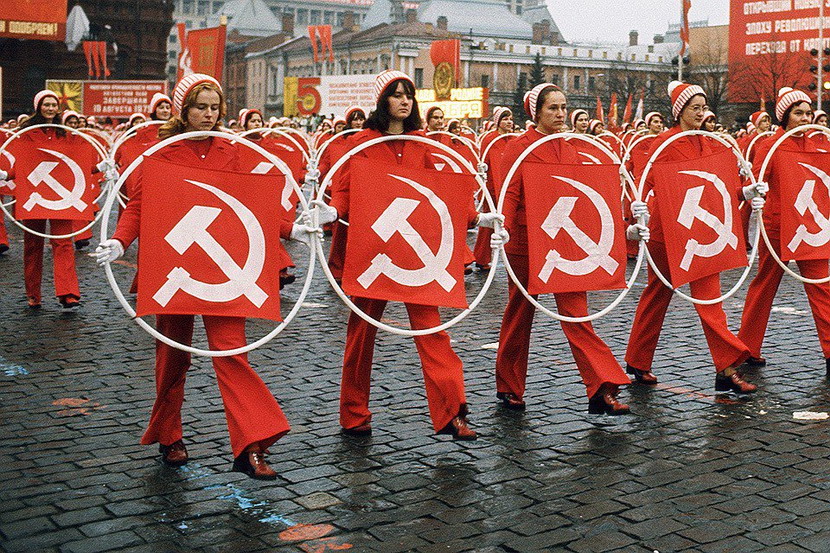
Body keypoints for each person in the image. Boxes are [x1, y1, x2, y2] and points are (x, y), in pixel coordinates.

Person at [94, 74, 317, 479]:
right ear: (184, 110)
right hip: (173, 268)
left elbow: (252, 205)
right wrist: (120, 241)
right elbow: (140, 206)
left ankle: (251, 444)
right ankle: (169, 435)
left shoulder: (234, 150)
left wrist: (290, 229)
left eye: (215, 107)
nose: (209, 114)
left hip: (223, 268)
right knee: (172, 357)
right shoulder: (161, 152)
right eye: (200, 107)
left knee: (232, 352)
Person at [312, 70, 505, 440]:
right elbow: (346, 192)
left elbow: (440, 191)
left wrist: (476, 217)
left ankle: (452, 411)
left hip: (416, 255)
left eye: (408, 95)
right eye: (396, 94)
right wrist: (332, 211)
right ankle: (353, 414)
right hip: (372, 251)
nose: (404, 101)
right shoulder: (360, 142)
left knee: (432, 330)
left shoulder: (421, 143)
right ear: (381, 100)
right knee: (361, 335)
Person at [495, 83, 646, 414]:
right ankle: (508, 385)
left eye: (564, 107)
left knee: (577, 314)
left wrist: (623, 229)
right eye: (553, 108)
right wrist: (502, 227)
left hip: (562, 245)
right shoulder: (517, 147)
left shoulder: (570, 148)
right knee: (519, 313)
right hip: (526, 243)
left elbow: (584, 196)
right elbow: (509, 194)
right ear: (536, 112)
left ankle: (601, 386)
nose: (561, 113)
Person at [624, 81, 758, 392]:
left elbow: (720, 187)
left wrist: (746, 191)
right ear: (679, 111)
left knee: (709, 298)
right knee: (657, 294)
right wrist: (636, 213)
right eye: (694, 108)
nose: (700, 113)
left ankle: (726, 367)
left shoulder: (709, 143)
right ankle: (638, 360)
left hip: (699, 235)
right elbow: (644, 183)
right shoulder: (663, 143)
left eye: (703, 107)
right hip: (666, 232)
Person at [739, 87, 830, 376]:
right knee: (764, 285)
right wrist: (755, 195)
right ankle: (747, 348)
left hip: (810, 228)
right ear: (785, 116)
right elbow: (755, 183)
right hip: (777, 228)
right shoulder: (769, 145)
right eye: (798, 113)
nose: (805, 118)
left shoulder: (820, 144)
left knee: (822, 288)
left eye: (808, 113)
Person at [5, 91, 84, 308]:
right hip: (33, 195)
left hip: (60, 197)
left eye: (53, 105)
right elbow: (21, 163)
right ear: (38, 106)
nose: (50, 108)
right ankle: (33, 294)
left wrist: (99, 168)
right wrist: (7, 175)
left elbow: (77, 163)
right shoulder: (26, 133)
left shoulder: (65, 133)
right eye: (46, 104)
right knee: (33, 244)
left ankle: (68, 293)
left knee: (63, 242)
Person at [474, 107, 514, 270]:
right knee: (488, 224)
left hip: (508, 186)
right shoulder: (490, 139)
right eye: (505, 119)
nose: (509, 122)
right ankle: (481, 258)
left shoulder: (513, 139)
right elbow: (483, 163)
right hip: (492, 188)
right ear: (498, 122)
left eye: (510, 119)